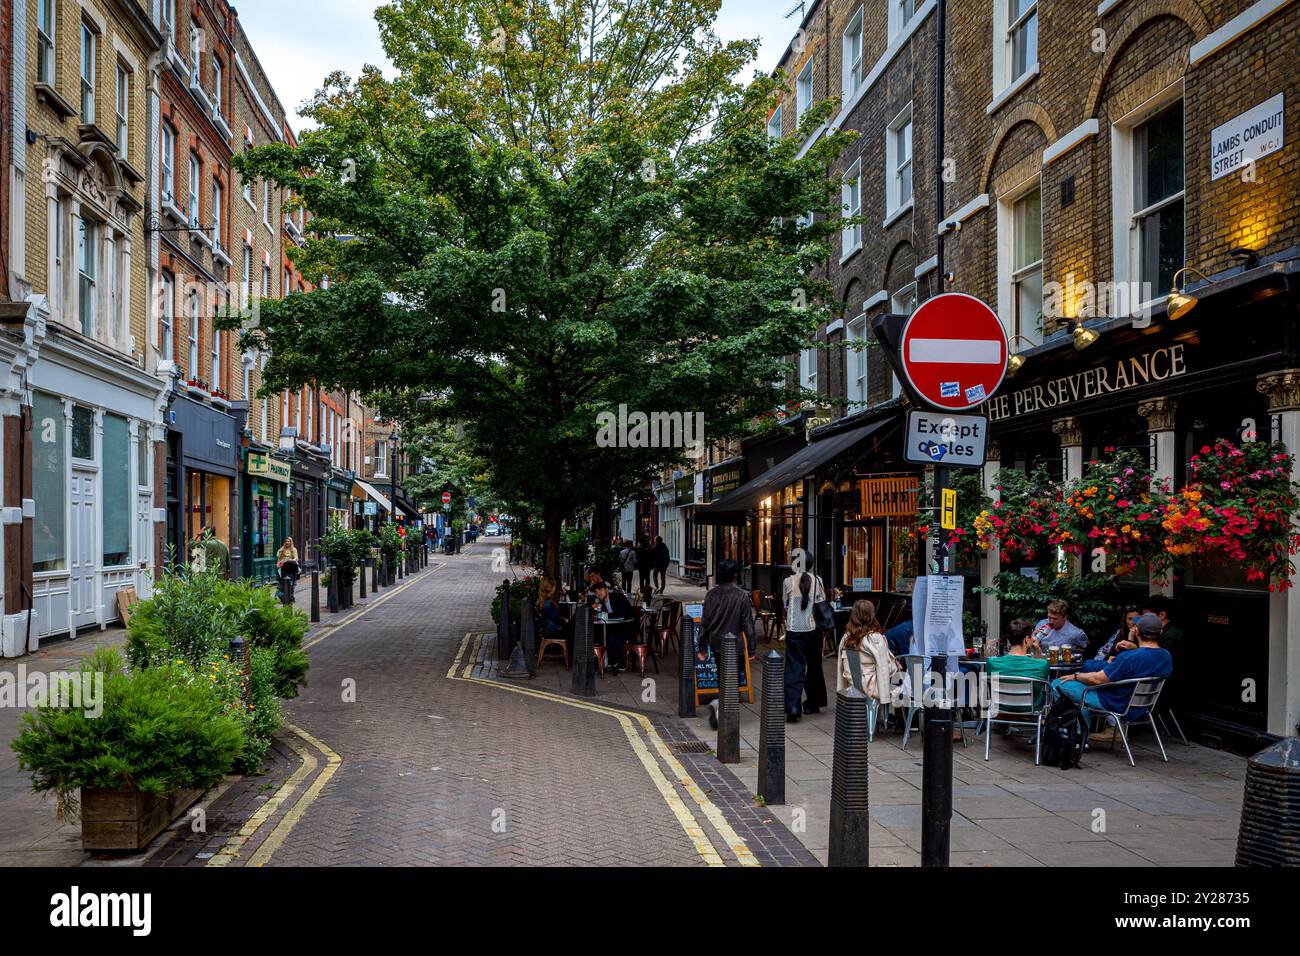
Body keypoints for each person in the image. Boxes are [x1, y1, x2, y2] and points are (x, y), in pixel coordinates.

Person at [1052, 613, 1173, 747]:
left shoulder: (1129, 657)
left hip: (1114, 702)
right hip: (1141, 706)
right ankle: (1080, 738)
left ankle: (1074, 737)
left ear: (1137, 631)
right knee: (1082, 698)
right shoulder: (1166, 656)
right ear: (1161, 632)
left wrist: (1076, 676)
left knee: (1057, 684)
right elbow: (1145, 659)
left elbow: (1098, 679)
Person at [701, 559, 755, 730]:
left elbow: (705, 622)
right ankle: (722, 708)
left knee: (721, 674)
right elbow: (747, 624)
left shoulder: (711, 594)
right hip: (735, 644)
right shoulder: (741, 595)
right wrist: (752, 648)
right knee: (733, 678)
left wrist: (701, 646)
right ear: (735, 575)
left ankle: (721, 707)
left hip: (716, 641)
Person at [782, 552, 828, 722]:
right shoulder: (818, 580)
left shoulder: (788, 581)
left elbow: (785, 606)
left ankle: (793, 707)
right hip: (813, 631)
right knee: (814, 666)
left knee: (794, 667)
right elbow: (822, 603)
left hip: (794, 631)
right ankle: (813, 703)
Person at [836, 600, 898, 703]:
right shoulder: (875, 639)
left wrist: (841, 690)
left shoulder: (846, 637)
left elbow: (840, 667)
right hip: (872, 689)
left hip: (853, 685)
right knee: (906, 689)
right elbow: (886, 669)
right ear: (872, 615)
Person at [986, 619, 1051, 710]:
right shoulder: (1042, 665)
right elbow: (1040, 674)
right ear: (1027, 639)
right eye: (1031, 637)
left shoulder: (992, 663)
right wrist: (1037, 652)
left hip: (1001, 708)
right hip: (1030, 709)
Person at [591, 581, 635, 675]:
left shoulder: (618, 597)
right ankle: (603, 661)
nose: (599, 593)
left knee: (613, 638)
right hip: (613, 627)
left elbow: (622, 613)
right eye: (596, 592)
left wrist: (604, 615)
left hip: (627, 626)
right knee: (597, 635)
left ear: (606, 590)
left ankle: (619, 662)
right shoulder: (600, 603)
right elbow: (597, 615)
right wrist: (595, 609)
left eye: (601, 590)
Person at [276, 537, 300, 605]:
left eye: (289, 541)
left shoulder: (294, 550)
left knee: (292, 584)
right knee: (282, 583)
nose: (287, 543)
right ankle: (283, 596)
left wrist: (290, 560)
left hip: (292, 568)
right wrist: (279, 564)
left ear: (291, 542)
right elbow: (279, 559)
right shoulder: (282, 550)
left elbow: (296, 558)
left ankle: (291, 596)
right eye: (286, 541)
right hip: (284, 568)